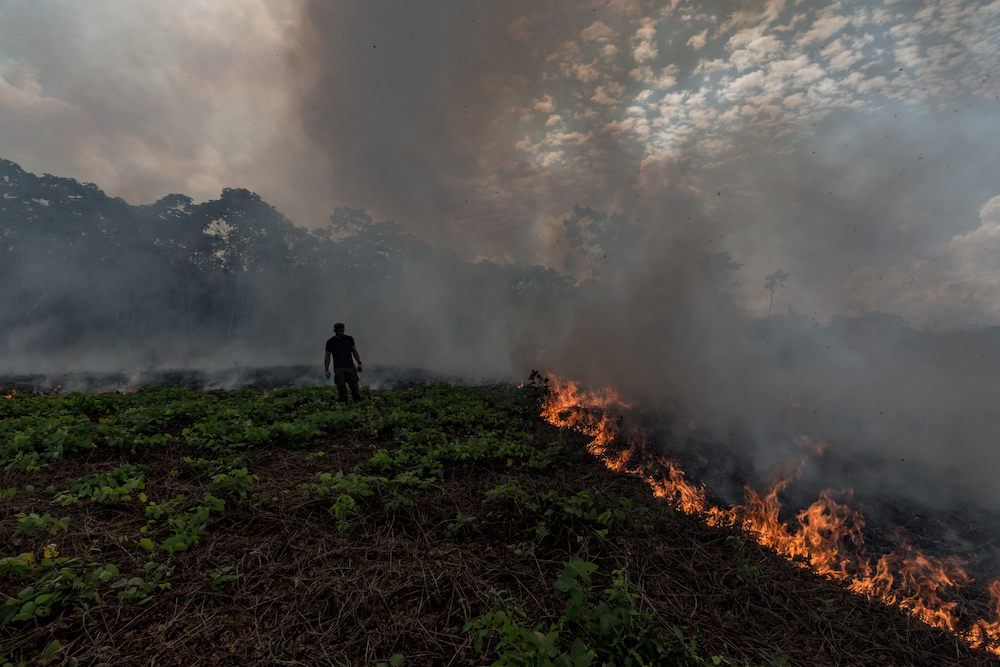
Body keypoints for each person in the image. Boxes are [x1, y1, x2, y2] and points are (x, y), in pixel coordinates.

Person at [324, 323, 363, 403]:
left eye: (343, 331)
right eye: (340, 331)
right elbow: (327, 356)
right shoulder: (330, 342)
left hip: (350, 367)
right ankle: (343, 405)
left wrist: (359, 363)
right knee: (341, 388)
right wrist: (326, 369)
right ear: (335, 331)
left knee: (354, 387)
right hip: (339, 369)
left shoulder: (349, 339)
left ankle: (358, 403)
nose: (342, 333)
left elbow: (354, 351)